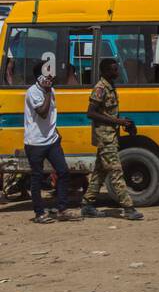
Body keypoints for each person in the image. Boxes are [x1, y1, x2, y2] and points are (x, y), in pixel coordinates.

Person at [82, 58, 143, 220]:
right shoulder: (100, 88)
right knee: (116, 171)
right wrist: (118, 122)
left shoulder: (110, 87)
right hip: (105, 136)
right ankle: (129, 208)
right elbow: (91, 113)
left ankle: (87, 204)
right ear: (105, 72)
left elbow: (108, 112)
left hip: (110, 135)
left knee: (99, 172)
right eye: (113, 70)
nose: (116, 72)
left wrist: (123, 122)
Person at [24, 63, 76, 223]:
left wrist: (56, 133)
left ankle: (62, 209)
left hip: (52, 140)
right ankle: (39, 213)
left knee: (63, 171)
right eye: (47, 75)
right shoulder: (33, 92)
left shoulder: (50, 90)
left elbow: (52, 116)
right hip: (35, 143)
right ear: (39, 77)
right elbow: (43, 113)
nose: (51, 77)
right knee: (37, 177)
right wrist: (47, 92)